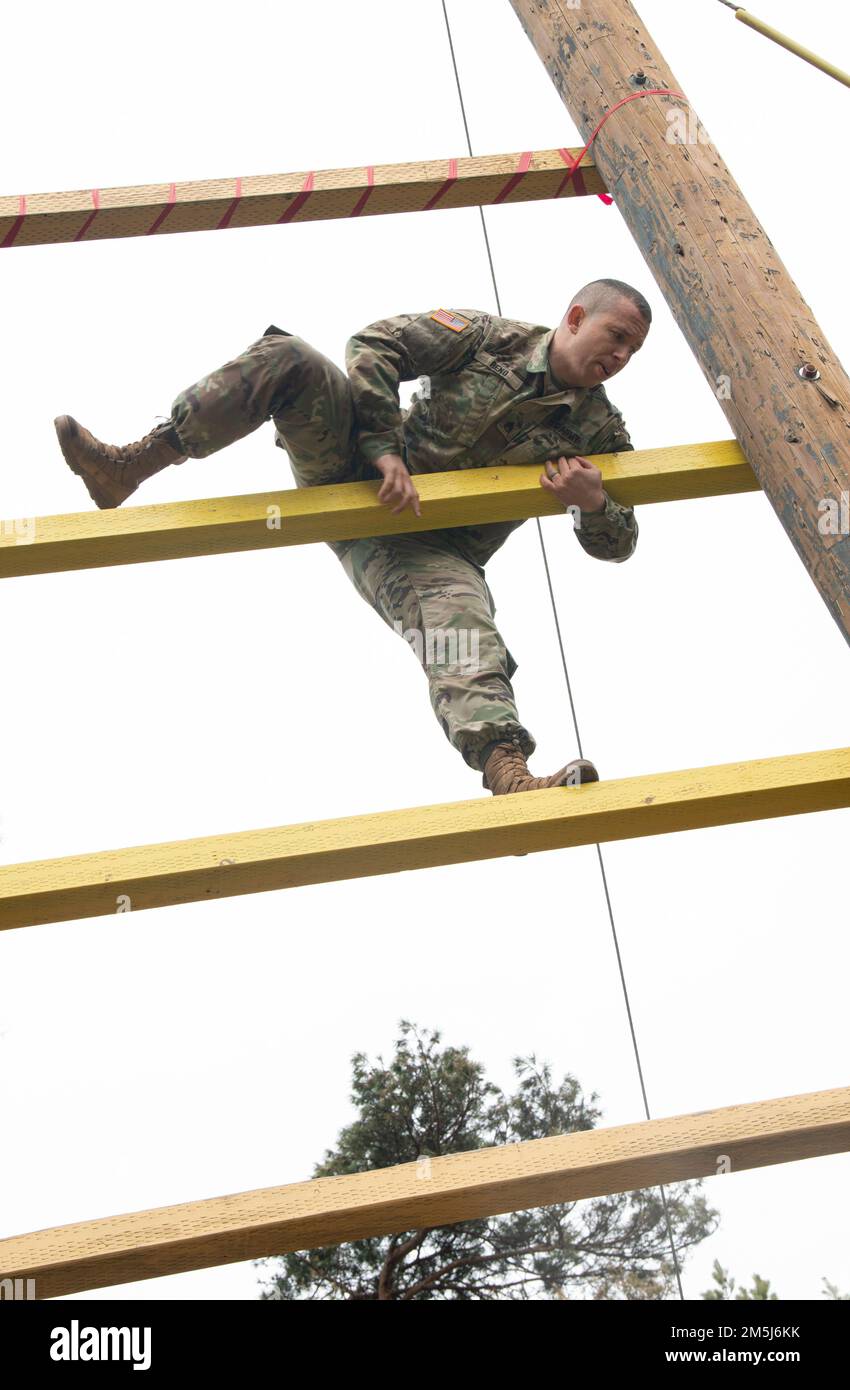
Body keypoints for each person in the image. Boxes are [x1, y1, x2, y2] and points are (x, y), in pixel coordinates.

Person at [55, 278, 648, 796]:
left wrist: (592, 503)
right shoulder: (488, 338)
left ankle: (509, 776)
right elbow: (375, 344)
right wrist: (385, 448)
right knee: (289, 357)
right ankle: (132, 464)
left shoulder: (599, 430)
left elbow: (619, 541)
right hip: (357, 474)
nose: (622, 355)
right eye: (616, 335)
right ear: (575, 317)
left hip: (432, 550)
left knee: (460, 621)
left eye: (633, 349)